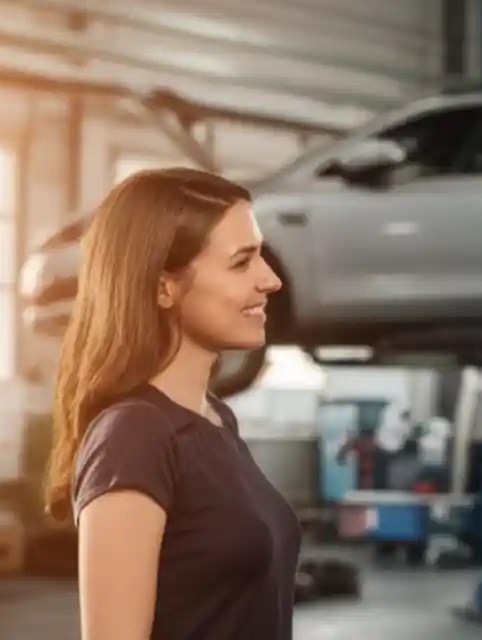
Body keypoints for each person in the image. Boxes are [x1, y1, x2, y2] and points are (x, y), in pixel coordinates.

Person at [43, 167, 301, 640]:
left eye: (261, 256)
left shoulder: (217, 420)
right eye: (242, 262)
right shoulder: (134, 435)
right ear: (164, 287)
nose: (271, 280)